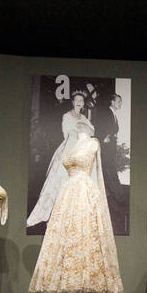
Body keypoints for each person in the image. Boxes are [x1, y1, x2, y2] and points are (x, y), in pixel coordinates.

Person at [28, 91, 94, 228]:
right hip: (69, 149)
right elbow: (67, 133)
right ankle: (56, 215)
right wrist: (80, 133)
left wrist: (84, 129)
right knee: (61, 182)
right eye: (77, 100)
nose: (79, 103)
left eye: (81, 101)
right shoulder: (67, 116)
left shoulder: (84, 117)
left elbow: (92, 132)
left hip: (82, 152)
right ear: (73, 101)